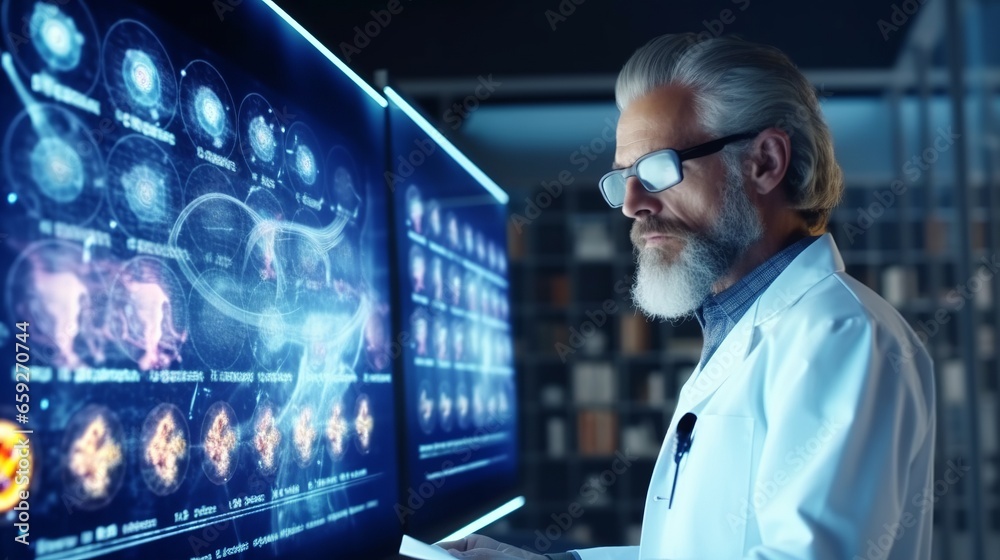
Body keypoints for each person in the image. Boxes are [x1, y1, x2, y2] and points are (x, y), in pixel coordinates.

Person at [441, 33, 935, 560]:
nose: (632, 204)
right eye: (624, 178)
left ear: (765, 162)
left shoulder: (840, 334)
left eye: (657, 168)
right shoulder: (739, 329)